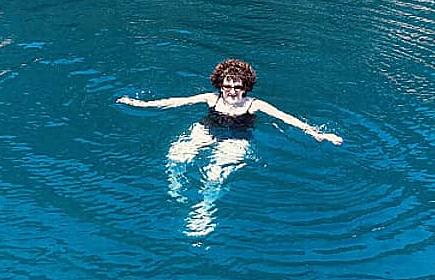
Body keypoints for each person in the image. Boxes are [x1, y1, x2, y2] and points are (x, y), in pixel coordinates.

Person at [117, 59, 342, 237]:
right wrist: (141, 104)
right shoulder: (210, 99)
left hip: (236, 137)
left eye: (237, 86)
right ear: (220, 85)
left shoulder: (255, 105)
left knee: (215, 175)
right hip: (207, 130)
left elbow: (286, 118)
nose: (231, 91)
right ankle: (175, 188)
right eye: (227, 86)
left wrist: (318, 134)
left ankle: (204, 210)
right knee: (176, 155)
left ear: (245, 87)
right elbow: (175, 101)